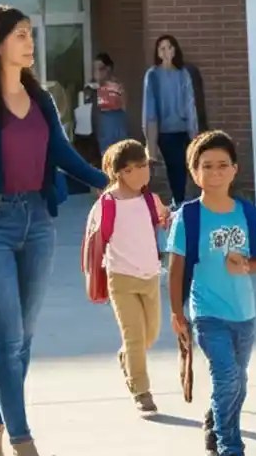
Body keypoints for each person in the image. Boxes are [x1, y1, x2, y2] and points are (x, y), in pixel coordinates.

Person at [0, 5, 130, 456]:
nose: (30, 42)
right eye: (20, 34)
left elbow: (62, 155)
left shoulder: (41, 98)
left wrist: (110, 182)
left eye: (31, 34)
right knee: (7, 338)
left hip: (38, 222)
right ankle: (22, 439)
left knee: (23, 339)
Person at [166, 130, 256, 456]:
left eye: (222, 165)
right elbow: (175, 269)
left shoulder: (246, 213)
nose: (215, 172)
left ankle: (214, 421)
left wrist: (247, 266)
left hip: (244, 313)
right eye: (206, 166)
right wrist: (177, 313)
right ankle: (230, 446)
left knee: (238, 382)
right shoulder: (188, 217)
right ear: (194, 172)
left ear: (234, 170)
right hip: (207, 314)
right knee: (227, 378)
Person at [84, 139, 169, 414]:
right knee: (134, 337)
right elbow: (94, 242)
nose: (143, 172)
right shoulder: (107, 204)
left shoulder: (150, 200)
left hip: (150, 276)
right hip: (120, 278)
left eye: (145, 165)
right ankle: (141, 390)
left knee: (150, 334)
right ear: (120, 172)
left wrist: (169, 219)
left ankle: (127, 358)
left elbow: (164, 220)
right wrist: (94, 273)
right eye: (135, 168)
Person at [143, 35, 200, 205]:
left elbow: (190, 104)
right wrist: (151, 141)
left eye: (169, 47)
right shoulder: (153, 75)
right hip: (165, 131)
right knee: (174, 166)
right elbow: (149, 107)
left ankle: (179, 201)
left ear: (175, 51)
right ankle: (179, 201)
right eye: (162, 48)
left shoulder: (183, 74)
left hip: (183, 129)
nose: (166, 52)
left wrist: (194, 134)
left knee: (183, 167)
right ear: (158, 53)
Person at [92, 52, 130, 155]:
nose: (96, 73)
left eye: (100, 69)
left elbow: (124, 106)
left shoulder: (116, 87)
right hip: (104, 132)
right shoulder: (94, 89)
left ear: (108, 69)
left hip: (116, 129)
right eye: (95, 69)